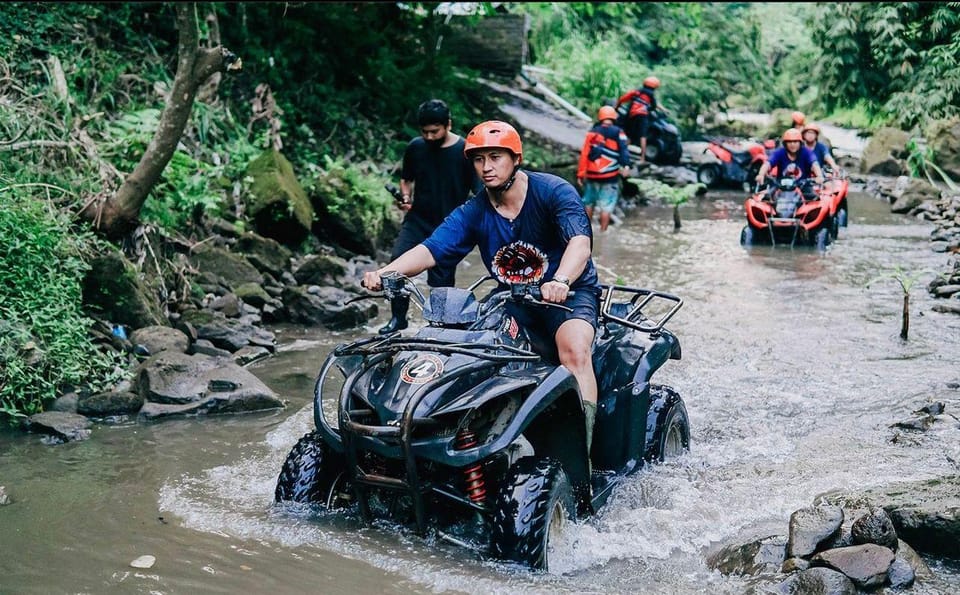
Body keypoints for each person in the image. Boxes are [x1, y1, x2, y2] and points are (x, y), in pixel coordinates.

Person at [362, 120, 603, 455]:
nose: (486, 167)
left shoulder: (553, 191)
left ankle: (583, 454)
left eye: (495, 157)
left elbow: (580, 242)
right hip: (510, 300)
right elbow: (431, 248)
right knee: (462, 351)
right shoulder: (474, 210)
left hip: (569, 297)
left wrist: (560, 281)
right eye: (478, 159)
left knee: (574, 351)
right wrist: (385, 272)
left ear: (515, 158)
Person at [379, 99, 479, 335]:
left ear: (448, 125)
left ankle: (439, 327)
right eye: (425, 132)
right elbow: (406, 179)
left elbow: (479, 192)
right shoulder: (416, 147)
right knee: (397, 263)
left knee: (442, 280)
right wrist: (405, 197)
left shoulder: (465, 152)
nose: (430, 136)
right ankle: (398, 318)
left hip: (450, 225)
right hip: (418, 219)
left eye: (435, 131)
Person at [576, 105, 631, 232]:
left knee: (588, 203)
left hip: (591, 175)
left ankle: (585, 232)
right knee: (606, 206)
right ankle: (603, 233)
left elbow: (584, 153)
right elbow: (624, 150)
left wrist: (580, 174)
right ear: (613, 117)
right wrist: (626, 166)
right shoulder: (618, 132)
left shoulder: (593, 131)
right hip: (610, 177)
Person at [756, 128, 824, 199]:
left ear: (800, 143)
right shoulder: (779, 152)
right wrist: (761, 174)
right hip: (781, 186)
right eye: (789, 142)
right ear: (785, 143)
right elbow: (768, 163)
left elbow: (814, 164)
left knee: (815, 200)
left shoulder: (806, 152)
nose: (792, 144)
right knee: (765, 199)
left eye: (795, 142)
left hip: (803, 186)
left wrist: (819, 176)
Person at [616, 75, 663, 162]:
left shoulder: (637, 92)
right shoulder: (651, 96)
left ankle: (620, 152)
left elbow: (622, 99)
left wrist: (617, 106)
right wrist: (648, 110)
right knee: (643, 136)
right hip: (643, 116)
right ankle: (642, 158)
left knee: (629, 135)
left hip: (633, 115)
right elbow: (654, 106)